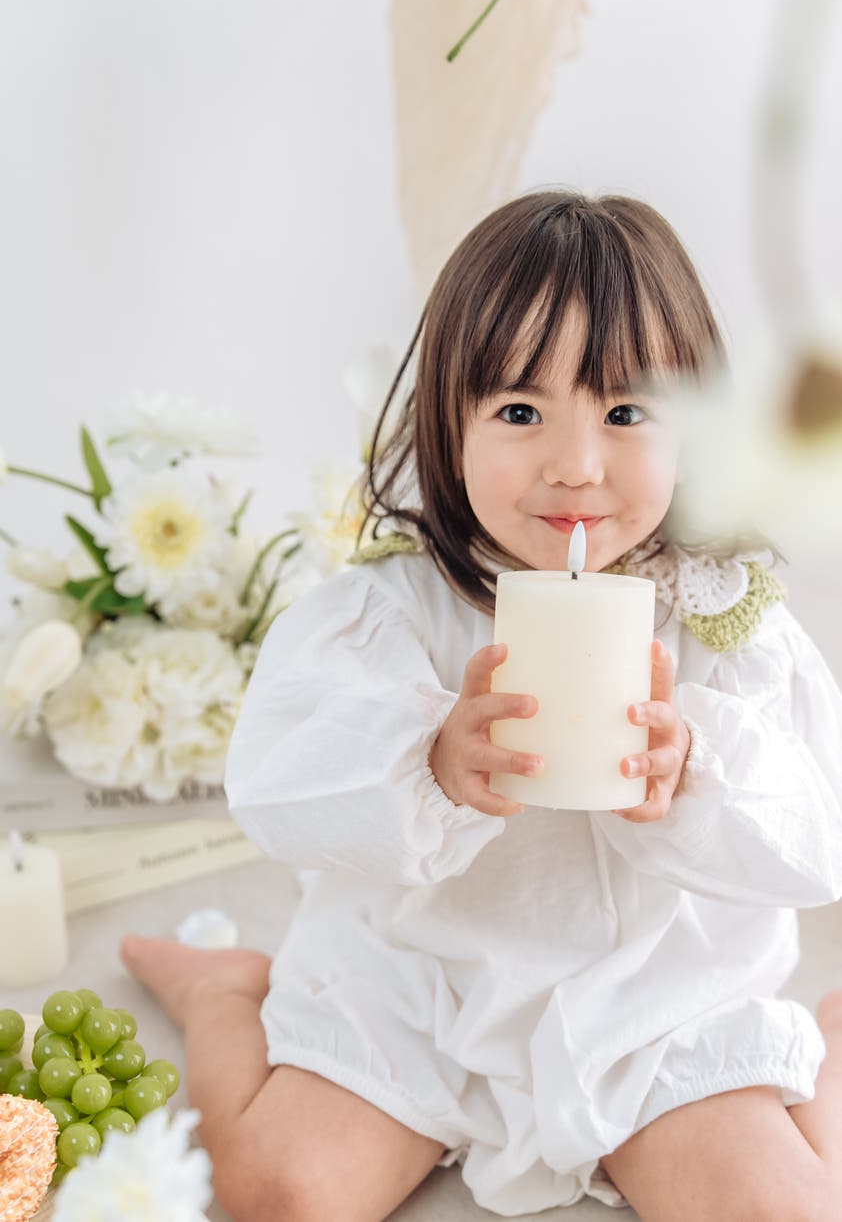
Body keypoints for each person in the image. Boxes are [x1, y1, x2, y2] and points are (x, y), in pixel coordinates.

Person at [122, 190, 842, 1222]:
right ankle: (223, 992)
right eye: (517, 411)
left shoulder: (720, 616)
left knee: (786, 1213)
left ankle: (822, 1037)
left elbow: (813, 837)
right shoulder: (390, 611)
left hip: (653, 1006)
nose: (575, 464)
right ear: (446, 421)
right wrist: (424, 758)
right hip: (420, 993)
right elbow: (278, 784)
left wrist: (696, 772)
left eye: (626, 412)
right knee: (279, 1192)